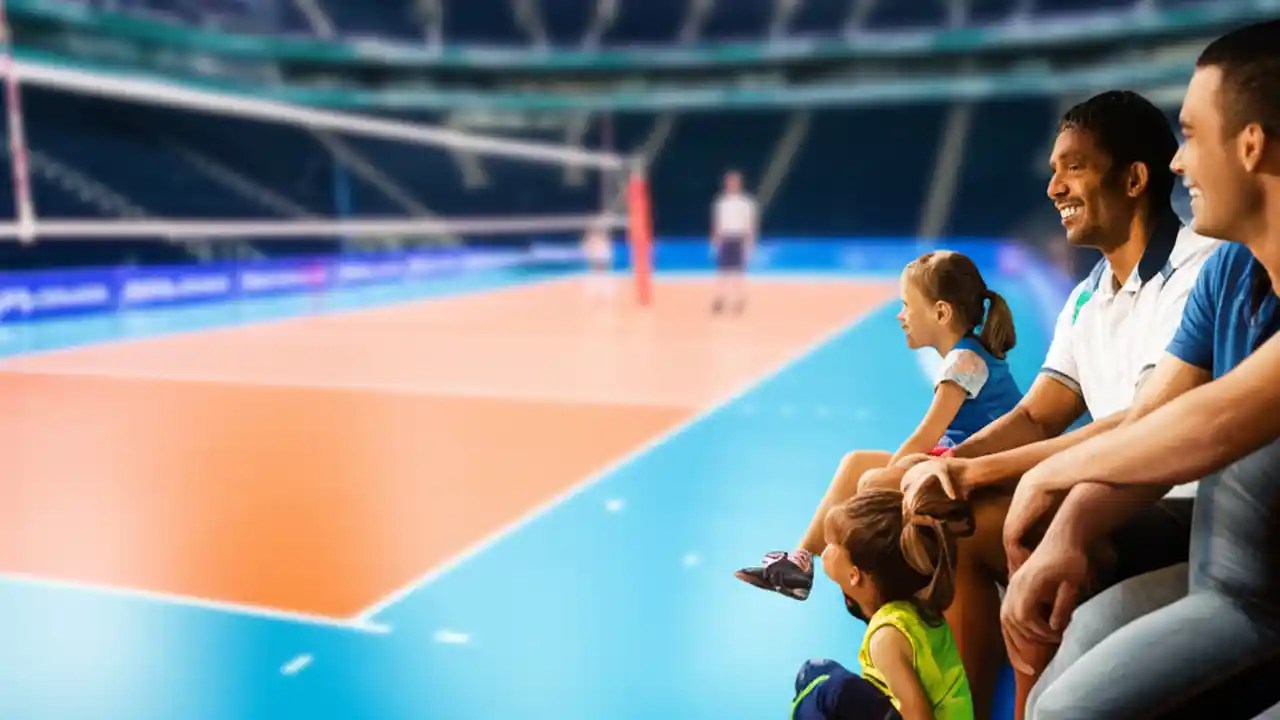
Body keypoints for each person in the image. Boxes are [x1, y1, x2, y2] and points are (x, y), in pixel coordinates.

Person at [755, 90, 1220, 720]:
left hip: (1175, 504)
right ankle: (923, 679)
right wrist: (947, 463)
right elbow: (1039, 412)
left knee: (962, 527)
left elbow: (1141, 424)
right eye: (1053, 170)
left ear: (1134, 178)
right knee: (907, 492)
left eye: (1072, 167)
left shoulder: (1199, 271)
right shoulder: (1089, 294)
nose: (1053, 187)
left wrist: (971, 472)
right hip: (1111, 487)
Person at [992, 20, 1280, 718]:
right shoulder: (1233, 274)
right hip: (1226, 584)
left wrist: (1046, 477)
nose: (1179, 163)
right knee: (1057, 686)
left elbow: (1209, 423)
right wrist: (1070, 525)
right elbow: (1155, 414)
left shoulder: (1202, 268)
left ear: (1251, 146)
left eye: (1189, 134)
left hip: (1259, 606)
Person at [737, 250, 1022, 601]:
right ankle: (800, 563)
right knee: (856, 462)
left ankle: (881, 584)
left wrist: (890, 475)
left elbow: (925, 436)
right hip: (954, 457)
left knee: (873, 483)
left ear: (941, 312)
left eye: (907, 305)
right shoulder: (967, 354)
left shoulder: (964, 361)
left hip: (975, 469)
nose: (901, 315)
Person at [791, 478, 975, 720]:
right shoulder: (913, 608)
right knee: (813, 671)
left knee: (825, 692)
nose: (824, 550)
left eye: (832, 545)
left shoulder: (886, 638)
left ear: (854, 575)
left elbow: (920, 716)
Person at [711, 170, 757, 314]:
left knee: (738, 272)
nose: (731, 185)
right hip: (725, 238)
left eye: (734, 182)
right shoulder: (721, 203)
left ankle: (739, 300)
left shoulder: (746, 203)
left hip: (739, 238)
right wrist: (715, 241)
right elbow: (717, 223)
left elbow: (750, 224)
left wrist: (749, 243)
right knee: (722, 272)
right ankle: (720, 299)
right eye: (729, 182)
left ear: (739, 184)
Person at [580, 221, 614, 305]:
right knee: (595, 276)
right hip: (596, 259)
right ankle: (596, 296)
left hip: (602, 259)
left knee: (604, 276)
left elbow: (607, 246)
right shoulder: (590, 239)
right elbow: (586, 247)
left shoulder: (603, 238)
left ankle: (605, 296)